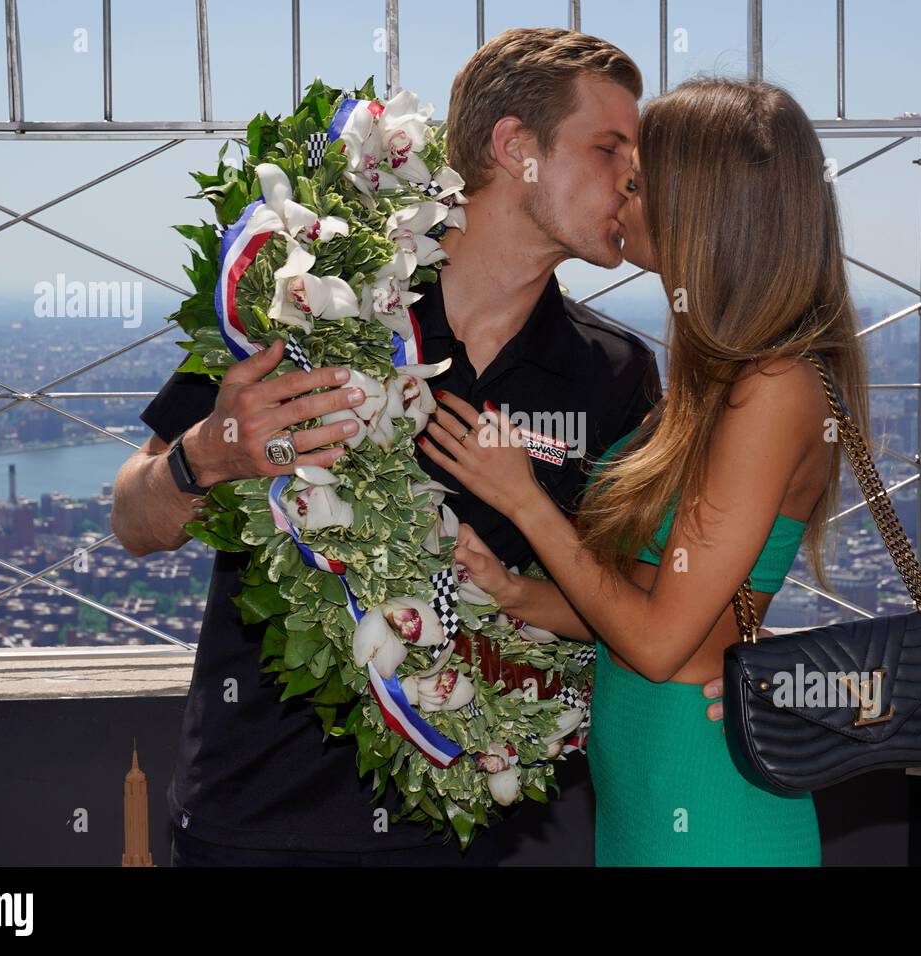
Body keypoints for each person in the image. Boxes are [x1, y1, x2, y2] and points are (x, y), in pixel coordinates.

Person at [111, 27, 672, 866]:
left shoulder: (615, 373)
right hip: (252, 818)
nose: (634, 175)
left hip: (458, 825)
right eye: (608, 146)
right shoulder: (313, 297)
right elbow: (133, 517)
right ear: (515, 146)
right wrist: (213, 453)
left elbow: (629, 602)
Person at [417, 77, 872, 866]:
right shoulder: (718, 380)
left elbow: (660, 645)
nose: (621, 198)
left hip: (708, 811)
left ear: (704, 204)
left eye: (640, 179)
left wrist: (525, 501)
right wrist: (515, 590)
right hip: (649, 796)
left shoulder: (771, 387)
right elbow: (640, 606)